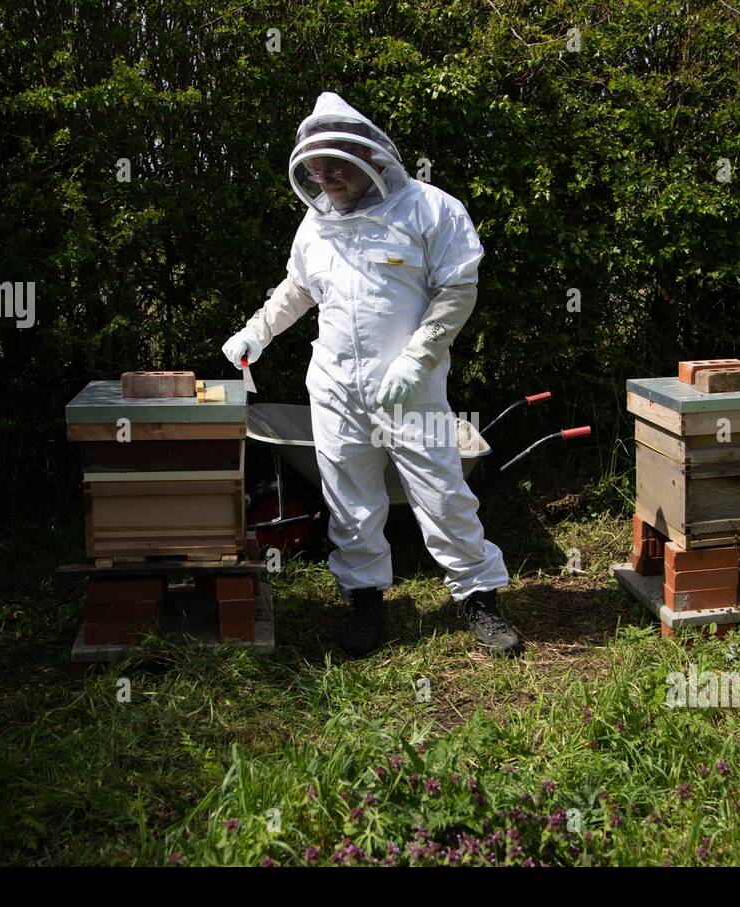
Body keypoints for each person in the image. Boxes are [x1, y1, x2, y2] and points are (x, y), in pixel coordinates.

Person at [222, 91, 522, 657]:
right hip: (335, 386)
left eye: (336, 167)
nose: (327, 179)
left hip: (412, 389)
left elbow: (457, 291)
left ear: (368, 157)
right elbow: (297, 290)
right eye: (316, 171)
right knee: (347, 498)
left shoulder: (431, 209)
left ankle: (479, 595)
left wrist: (416, 358)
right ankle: (364, 600)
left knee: (442, 492)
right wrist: (256, 332)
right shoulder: (315, 224)